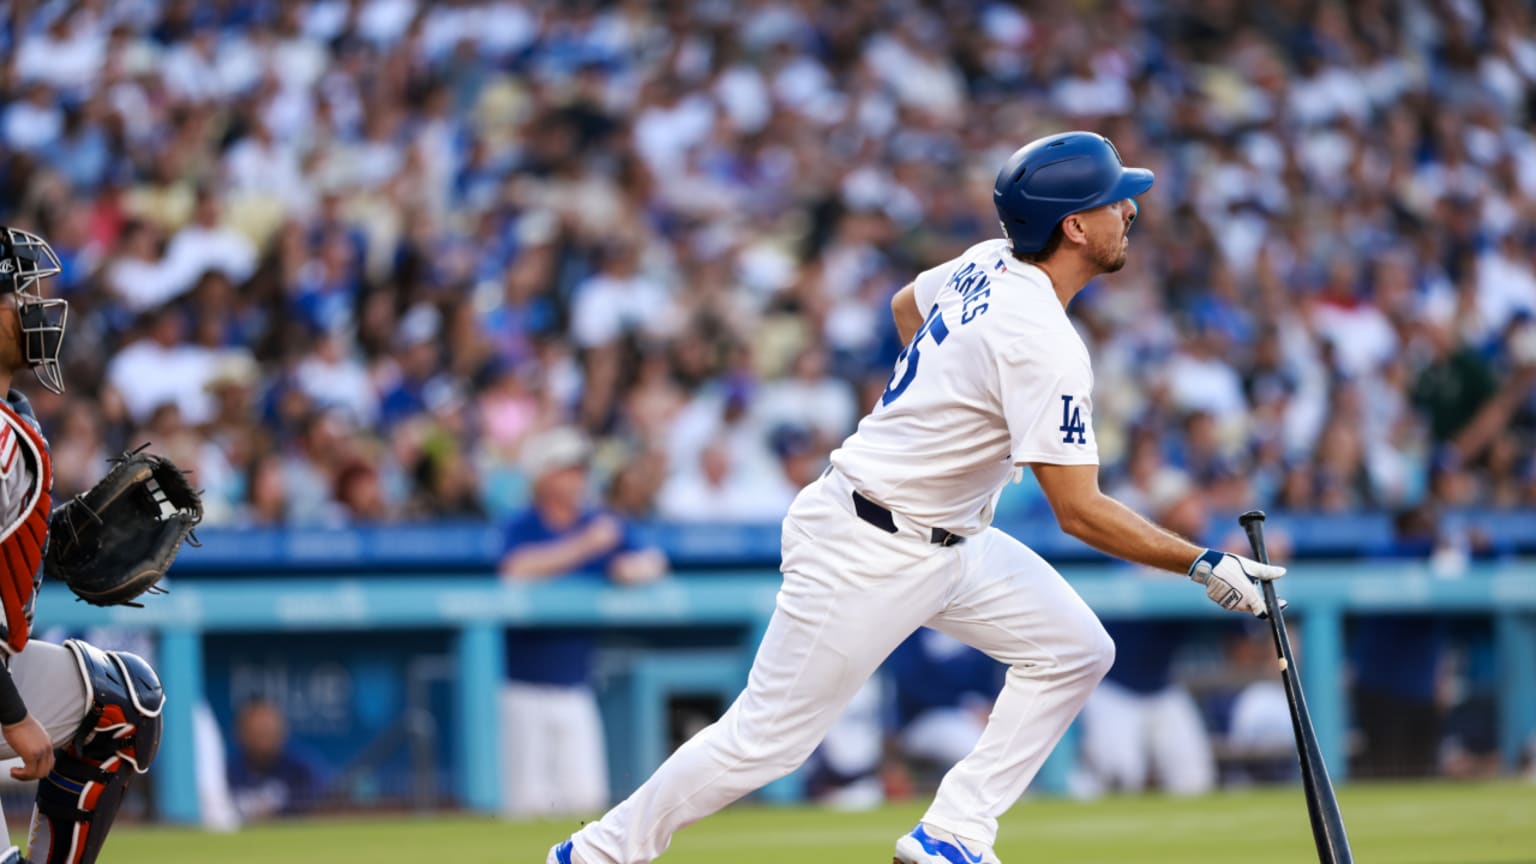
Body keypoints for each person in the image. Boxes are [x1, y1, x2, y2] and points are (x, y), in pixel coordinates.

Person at [546, 132, 1284, 864]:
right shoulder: (1043, 339)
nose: (1130, 209)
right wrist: (1204, 563)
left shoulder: (989, 260)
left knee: (1076, 650)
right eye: (1114, 199)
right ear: (1074, 225)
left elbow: (907, 308)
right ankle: (598, 853)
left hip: (952, 536)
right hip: (869, 542)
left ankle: (952, 833)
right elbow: (1079, 510)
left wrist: (953, 410)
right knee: (765, 739)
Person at [0, 226, 167, 863]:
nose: (36, 308)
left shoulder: (12, 415)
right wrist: (14, 713)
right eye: (19, 294)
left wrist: (44, 537)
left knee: (121, 701)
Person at [501, 427, 667, 818]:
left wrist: (628, 569)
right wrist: (586, 548)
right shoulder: (523, 523)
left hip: (576, 683)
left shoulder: (597, 520)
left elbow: (653, 561)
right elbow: (515, 567)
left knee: (585, 802)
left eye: (580, 470)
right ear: (543, 476)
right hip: (521, 686)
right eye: (566, 470)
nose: (577, 479)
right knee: (526, 806)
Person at [227, 699, 323, 820]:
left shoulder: (302, 767)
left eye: (267, 730)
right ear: (240, 733)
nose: (262, 737)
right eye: (256, 731)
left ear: (282, 731)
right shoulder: (228, 771)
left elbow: (323, 805)